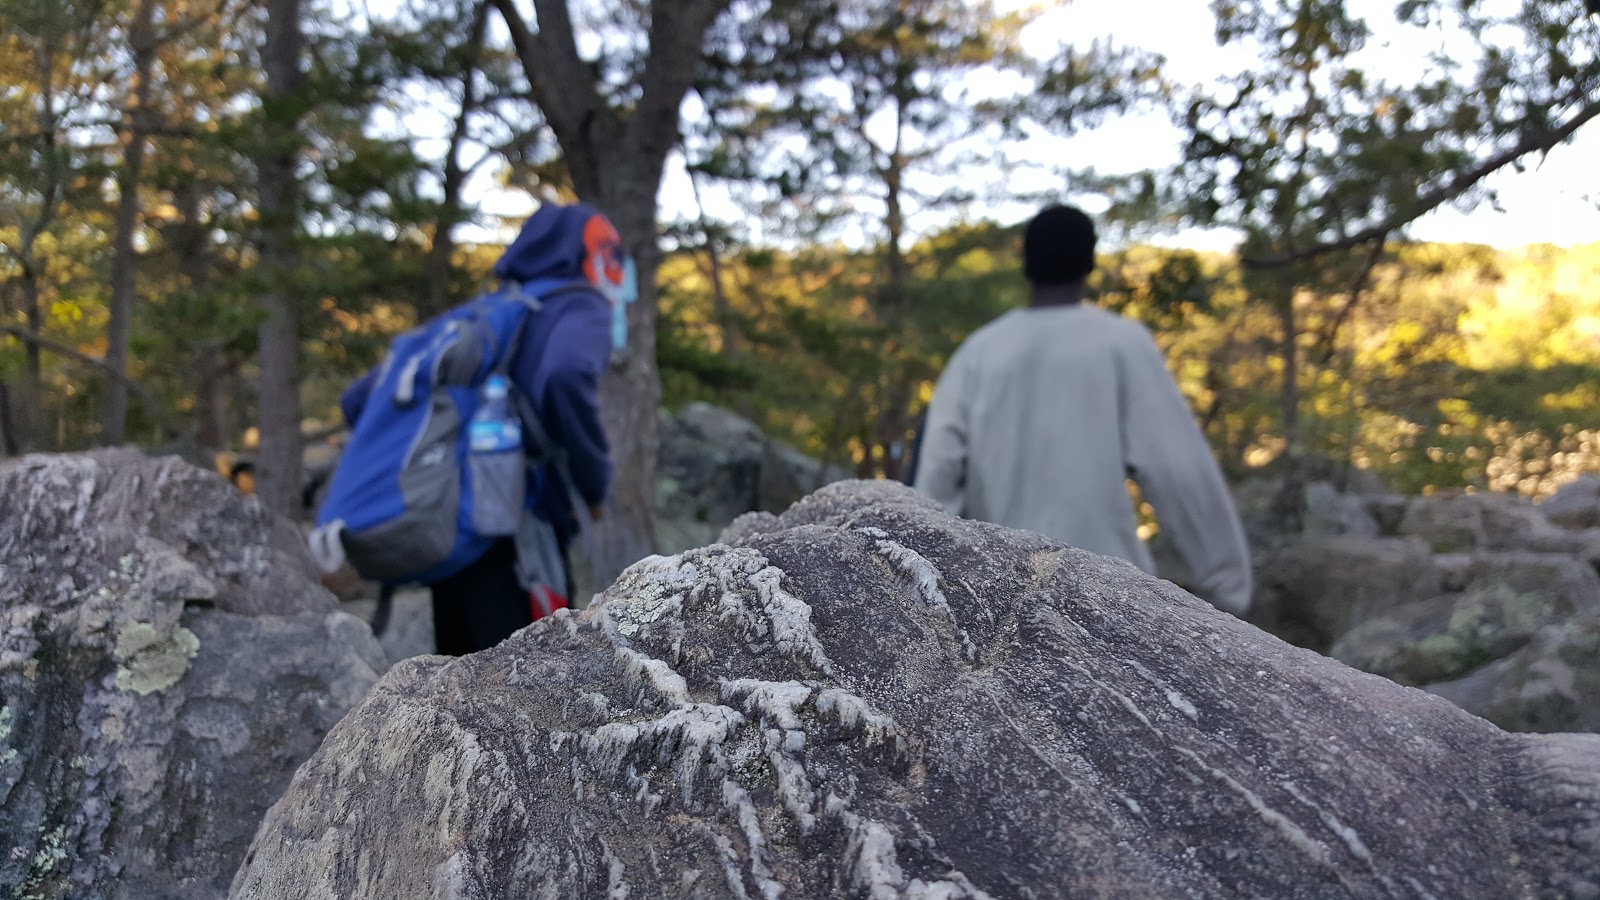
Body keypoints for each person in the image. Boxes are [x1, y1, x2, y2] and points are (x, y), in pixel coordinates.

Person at [912, 204, 1252, 615]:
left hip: (1001, 598)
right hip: (1111, 598)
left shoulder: (978, 352)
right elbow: (1177, 468)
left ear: (1026, 266)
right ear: (1089, 263)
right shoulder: (1121, 344)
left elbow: (937, 473)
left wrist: (928, 590)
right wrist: (1228, 588)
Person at [339, 201, 631, 654]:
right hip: (518, 523)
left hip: (452, 522)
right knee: (532, 669)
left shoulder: (485, 310)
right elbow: (566, 373)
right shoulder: (578, 303)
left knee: (459, 673)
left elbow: (358, 399)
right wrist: (592, 487)